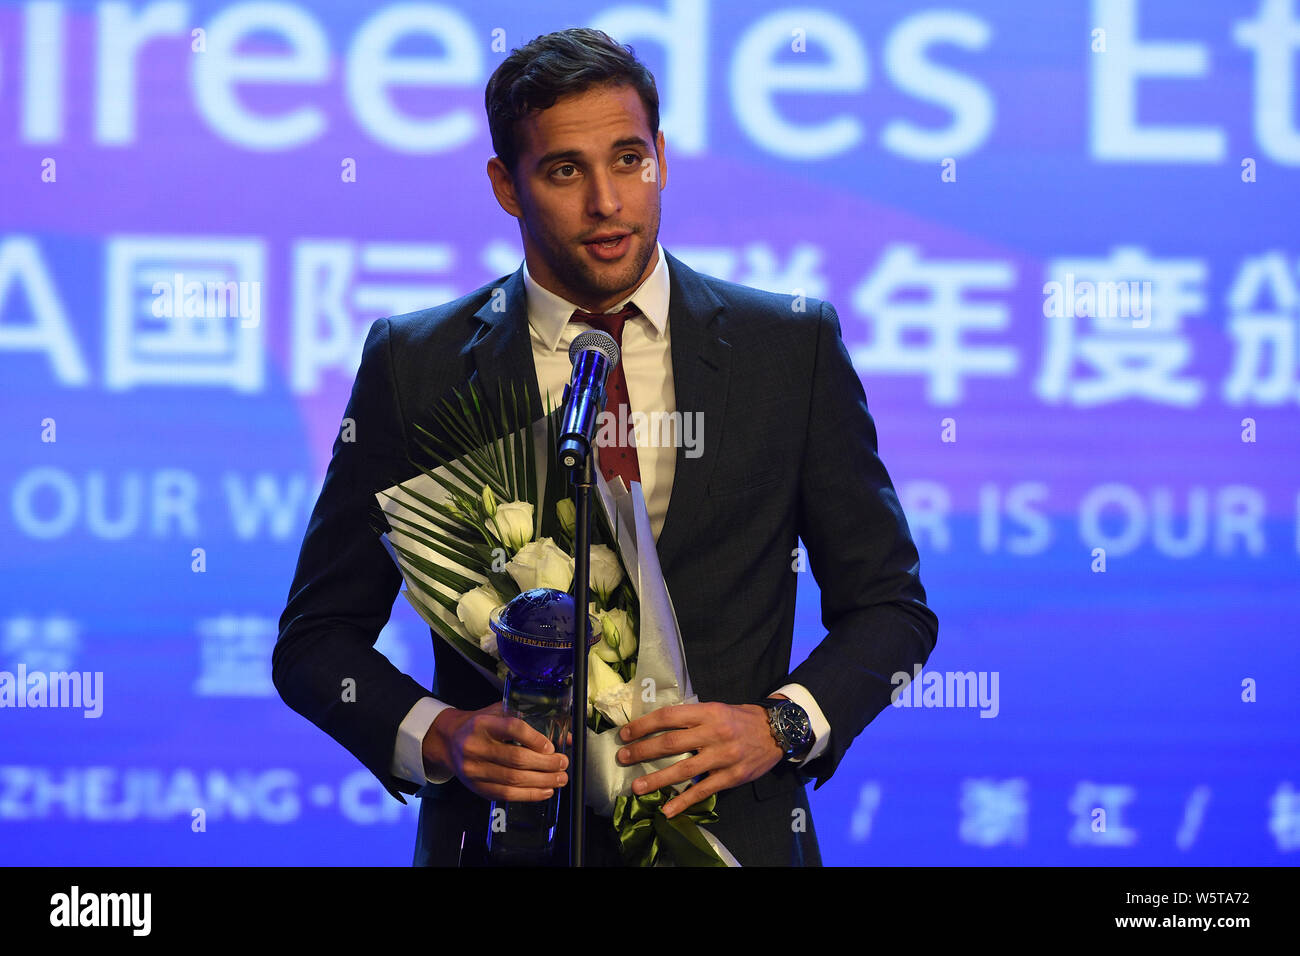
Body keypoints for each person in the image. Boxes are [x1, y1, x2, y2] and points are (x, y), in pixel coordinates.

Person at [274, 27, 938, 867]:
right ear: (506, 187)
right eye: (564, 171)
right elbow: (315, 642)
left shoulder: (787, 350)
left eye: (629, 159)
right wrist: (441, 736)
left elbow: (892, 611)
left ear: (660, 154)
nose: (608, 202)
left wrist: (776, 725)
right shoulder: (419, 367)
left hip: (736, 838)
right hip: (504, 845)